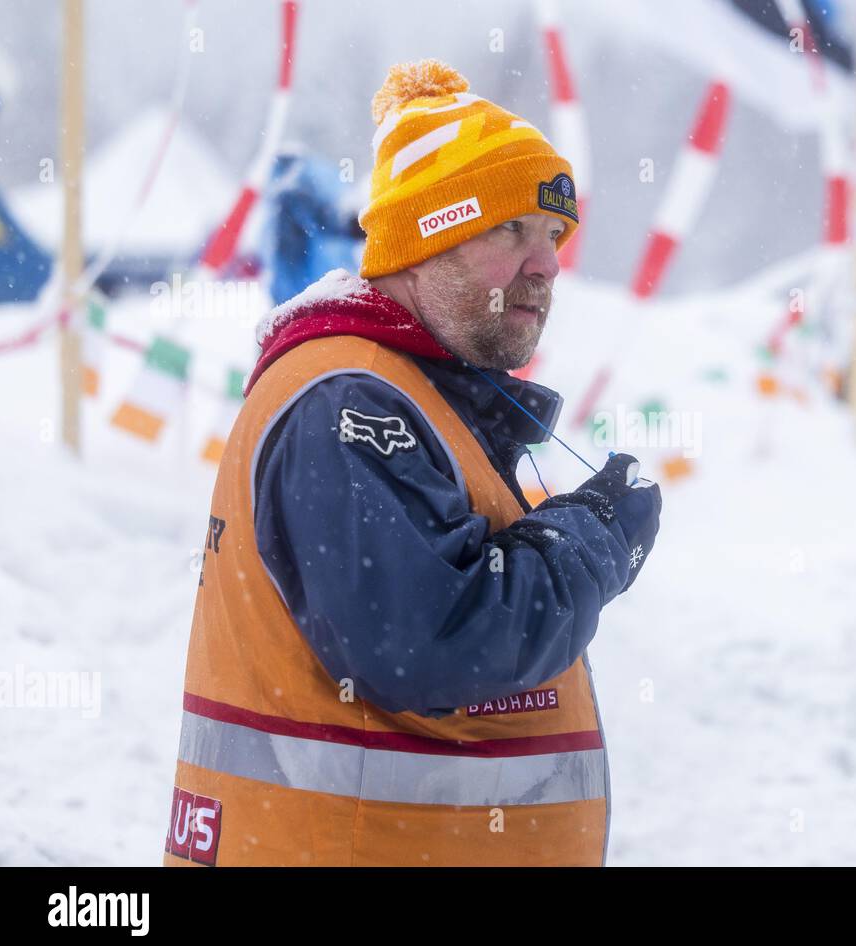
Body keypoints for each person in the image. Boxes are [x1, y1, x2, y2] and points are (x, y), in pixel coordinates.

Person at [164, 59, 661, 867]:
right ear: (426, 240)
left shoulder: (402, 395)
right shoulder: (345, 403)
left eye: (555, 236)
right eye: (510, 230)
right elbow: (429, 639)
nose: (547, 265)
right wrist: (593, 536)